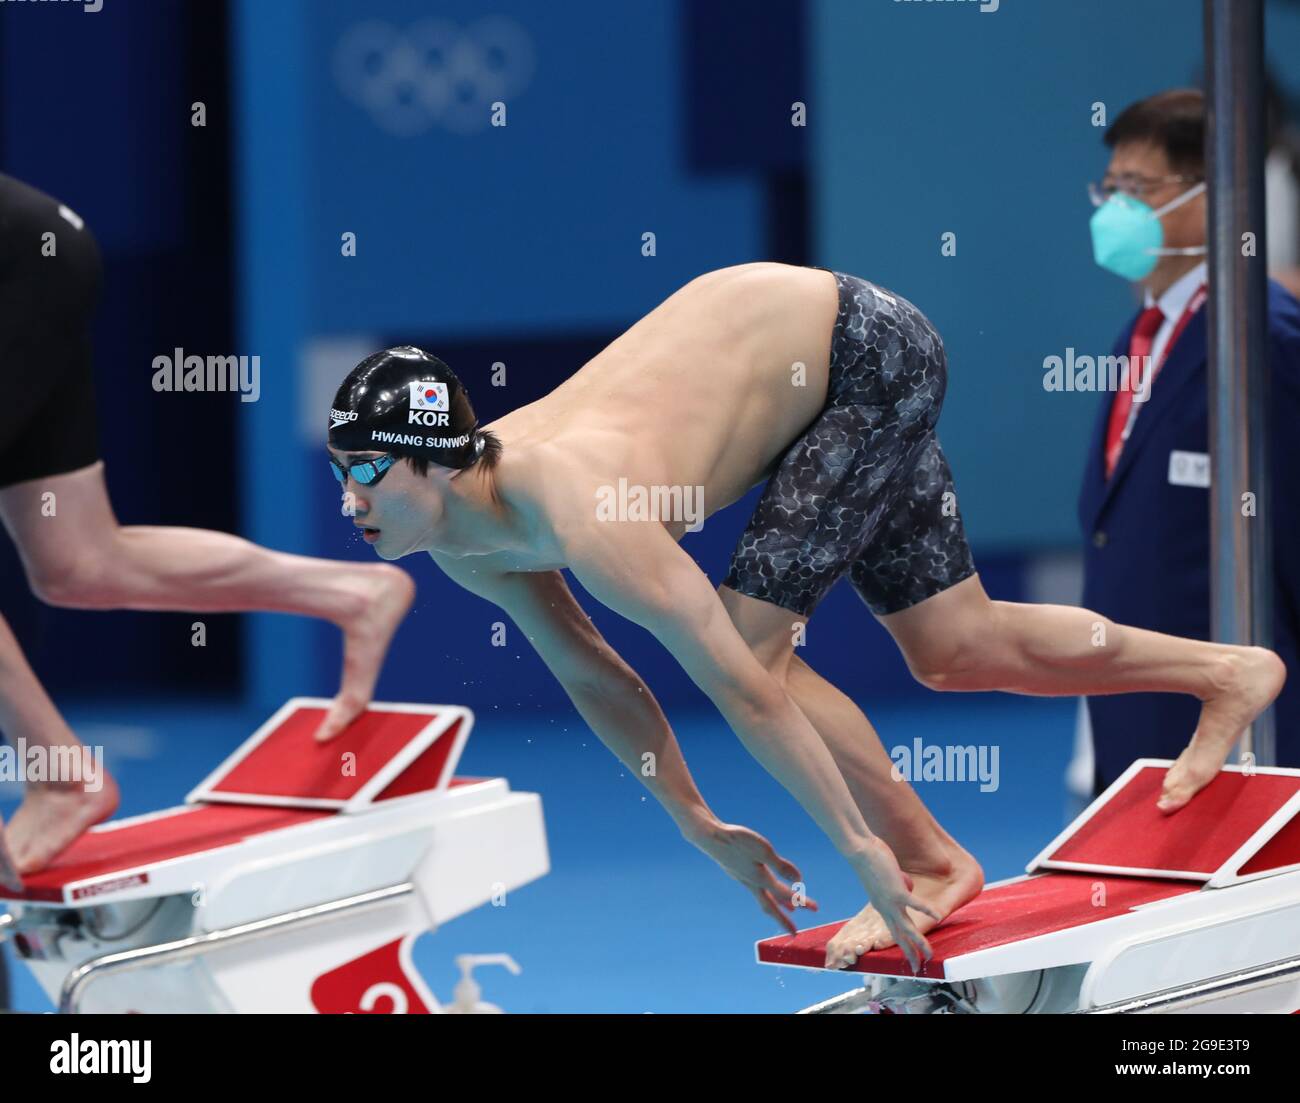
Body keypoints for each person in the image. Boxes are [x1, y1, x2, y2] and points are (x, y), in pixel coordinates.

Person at [326, 267, 1285, 972]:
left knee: (748, 644)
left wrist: (858, 849)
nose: (350, 500)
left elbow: (737, 682)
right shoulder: (461, 536)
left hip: (860, 354)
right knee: (956, 646)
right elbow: (595, 674)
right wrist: (697, 819)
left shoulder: (574, 502)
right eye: (340, 473)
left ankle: (928, 860)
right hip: (804, 367)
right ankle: (1228, 671)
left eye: (367, 472)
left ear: (436, 463)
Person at [0, 173, 415, 895]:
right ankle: (352, 590)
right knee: (77, 560)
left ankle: (59, 777)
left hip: (16, 264)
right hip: (39, 249)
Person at [1078, 89, 1300, 797]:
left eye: (1139, 189)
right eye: (1110, 188)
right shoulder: (1138, 334)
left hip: (1234, 733)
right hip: (1133, 716)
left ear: (1216, 195)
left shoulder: (1261, 337)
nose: (1116, 209)